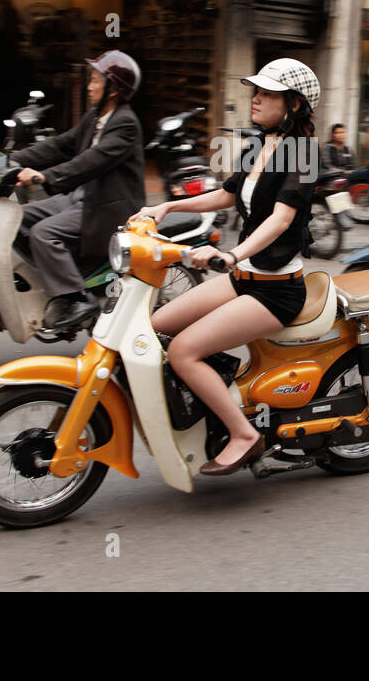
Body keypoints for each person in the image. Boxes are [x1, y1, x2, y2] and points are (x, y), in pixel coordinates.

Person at [132, 58, 320, 476]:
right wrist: (167, 205)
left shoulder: (304, 153)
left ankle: (244, 435)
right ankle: (224, 391)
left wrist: (233, 254)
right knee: (158, 325)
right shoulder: (260, 142)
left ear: (292, 104)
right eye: (257, 90)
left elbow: (281, 220)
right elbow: (227, 195)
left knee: (183, 351)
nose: (256, 97)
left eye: (268, 93)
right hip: (242, 278)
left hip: (275, 288)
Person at [12, 51, 145, 332]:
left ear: (113, 89)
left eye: (96, 80)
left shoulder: (126, 123)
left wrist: (43, 177)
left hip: (109, 208)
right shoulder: (95, 117)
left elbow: (90, 162)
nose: (89, 86)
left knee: (44, 234)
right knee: (16, 218)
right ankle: (62, 276)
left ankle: (75, 298)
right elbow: (60, 145)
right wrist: (13, 160)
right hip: (82, 199)